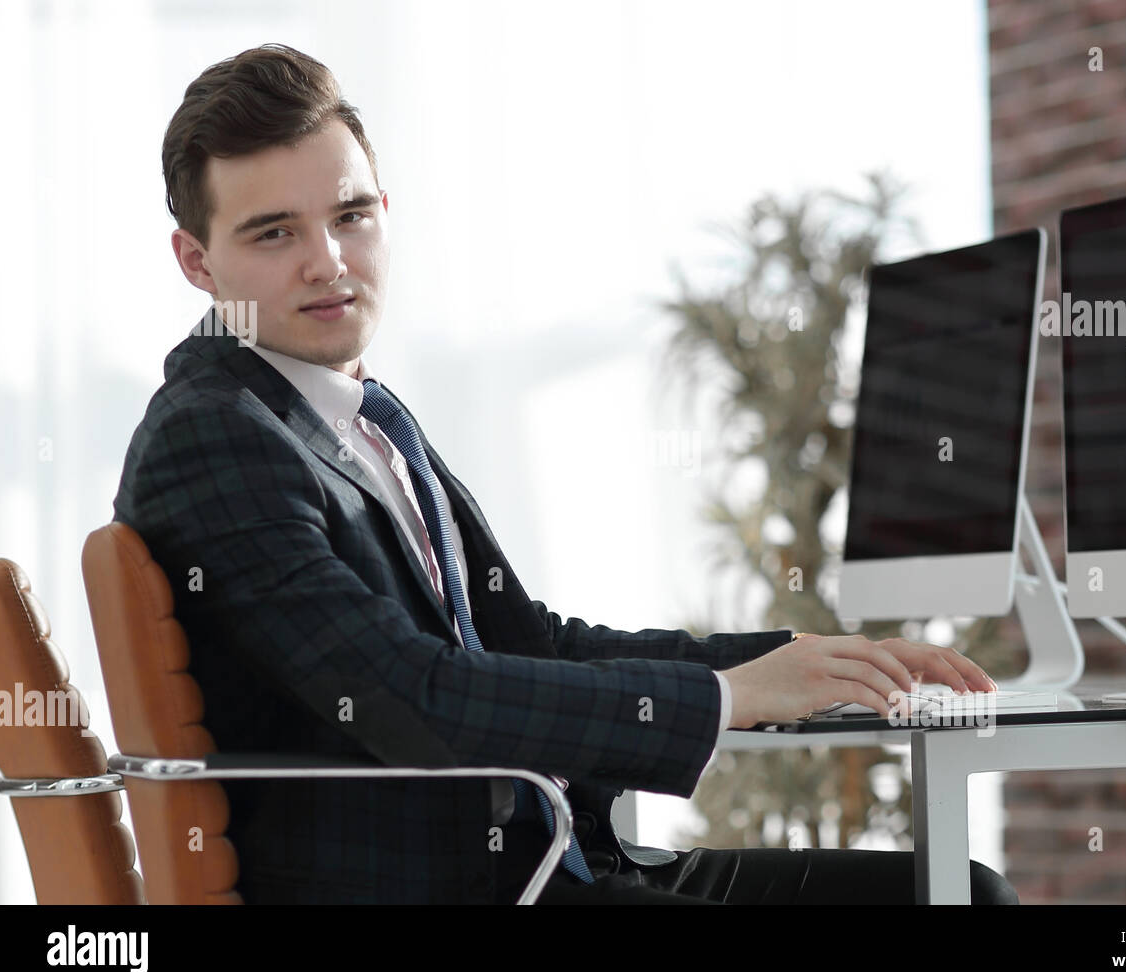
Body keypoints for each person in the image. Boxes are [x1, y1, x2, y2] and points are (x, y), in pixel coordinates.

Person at [113, 42, 1018, 905]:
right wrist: (722, 698)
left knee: (961, 891)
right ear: (197, 261)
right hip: (461, 889)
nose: (330, 262)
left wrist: (786, 660)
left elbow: (526, 639)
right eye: (274, 233)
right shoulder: (216, 437)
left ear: (385, 210)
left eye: (350, 215)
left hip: (556, 861)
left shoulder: (356, 415)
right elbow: (407, 694)